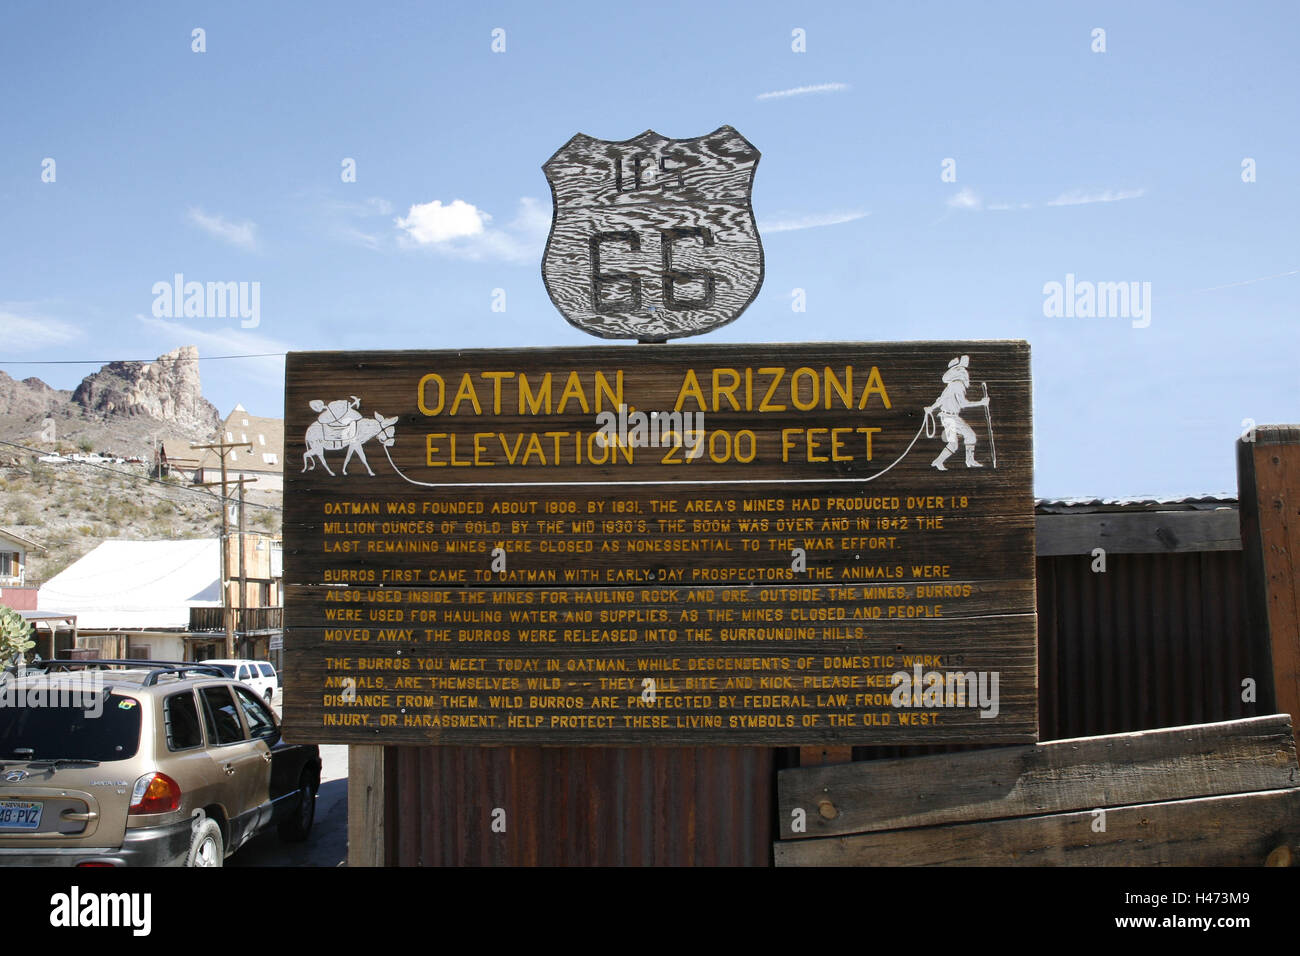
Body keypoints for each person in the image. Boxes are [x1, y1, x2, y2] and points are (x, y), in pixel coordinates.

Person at [924, 355, 988, 470]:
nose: (964, 371)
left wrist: (931, 408)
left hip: (949, 417)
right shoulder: (957, 385)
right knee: (967, 437)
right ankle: (964, 461)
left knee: (964, 439)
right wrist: (981, 402)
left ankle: (964, 460)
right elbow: (963, 403)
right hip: (949, 418)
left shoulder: (952, 385)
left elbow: (940, 400)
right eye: (960, 369)